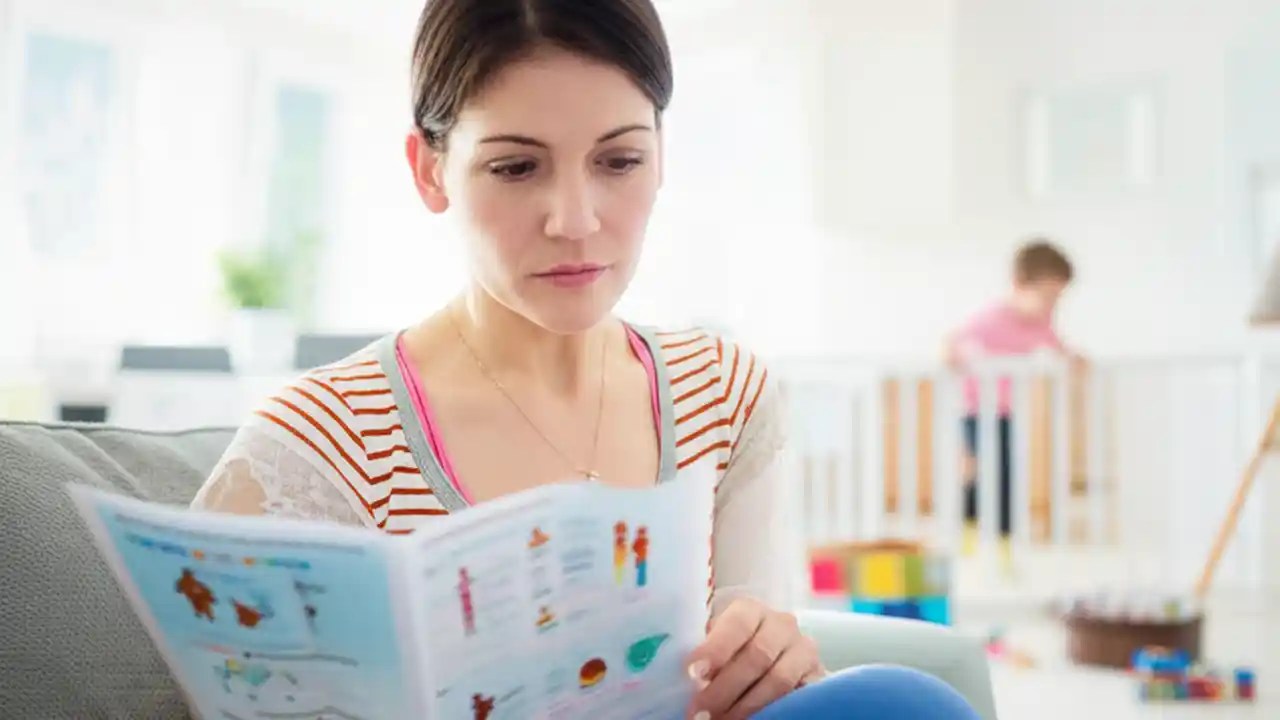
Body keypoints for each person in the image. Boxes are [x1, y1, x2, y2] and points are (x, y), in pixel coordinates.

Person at [191, 1, 980, 718]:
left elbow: (757, 696)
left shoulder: (727, 395)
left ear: (662, 155)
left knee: (903, 702)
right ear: (429, 169)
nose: (575, 220)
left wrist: (771, 664)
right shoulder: (320, 445)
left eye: (619, 161)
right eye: (515, 167)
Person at [943, 239, 1083, 548]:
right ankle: (968, 528)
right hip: (975, 410)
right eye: (1046, 297)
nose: (1051, 306)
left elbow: (1056, 345)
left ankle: (1004, 540)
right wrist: (950, 354)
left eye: (1057, 299)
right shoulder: (991, 318)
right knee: (977, 472)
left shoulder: (1042, 323)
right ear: (1019, 285)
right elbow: (956, 338)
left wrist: (1074, 358)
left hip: (1006, 411)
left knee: (1007, 473)